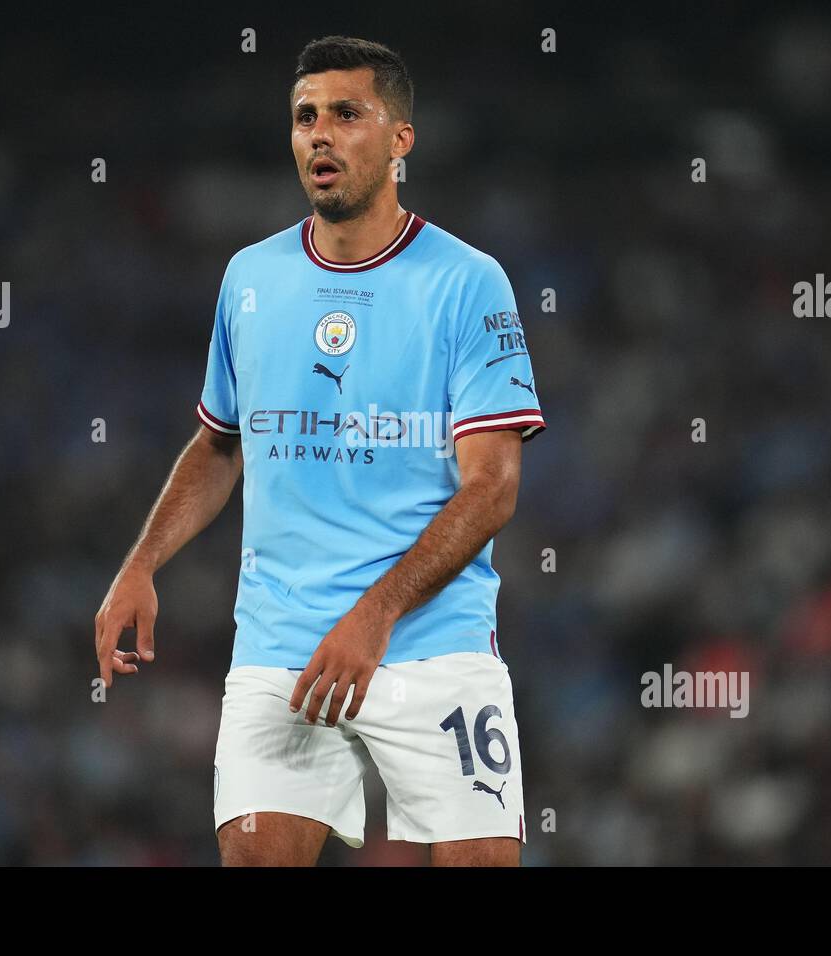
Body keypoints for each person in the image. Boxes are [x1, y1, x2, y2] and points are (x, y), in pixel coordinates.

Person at [94, 35, 545, 866]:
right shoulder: (250, 279)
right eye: (305, 117)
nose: (320, 135)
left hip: (432, 642)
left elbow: (494, 490)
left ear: (401, 139)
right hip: (283, 646)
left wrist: (374, 616)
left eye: (346, 113)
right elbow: (220, 444)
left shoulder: (467, 282)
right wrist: (142, 562)